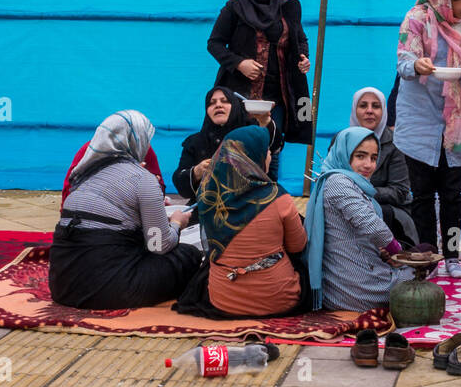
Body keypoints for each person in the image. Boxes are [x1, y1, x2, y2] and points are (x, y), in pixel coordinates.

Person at [50, 111, 203, 309]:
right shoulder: (142, 178)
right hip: (107, 290)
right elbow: (159, 245)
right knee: (188, 255)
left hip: (63, 287)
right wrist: (176, 222)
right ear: (137, 141)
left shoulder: (84, 175)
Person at [394, 0, 461, 278]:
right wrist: (418, 64)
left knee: (453, 194)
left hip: (452, 122)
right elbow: (403, 63)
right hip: (419, 118)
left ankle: (453, 256)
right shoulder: (417, 18)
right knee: (422, 195)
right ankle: (427, 255)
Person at [207, 0, 312, 183]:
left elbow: (300, 40)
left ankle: (269, 201)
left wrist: (303, 58)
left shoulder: (288, 8)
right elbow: (214, 43)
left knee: (271, 149)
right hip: (240, 96)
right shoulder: (234, 8)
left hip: (278, 98)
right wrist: (239, 63)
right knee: (236, 148)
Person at [194, 126, 307, 318]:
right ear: (254, 157)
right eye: (267, 151)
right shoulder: (278, 199)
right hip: (278, 300)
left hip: (223, 301)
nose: (270, 156)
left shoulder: (208, 196)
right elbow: (298, 246)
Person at [305, 127, 409, 312]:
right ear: (344, 154)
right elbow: (371, 225)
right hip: (357, 293)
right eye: (360, 156)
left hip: (349, 285)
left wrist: (382, 251)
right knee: (421, 269)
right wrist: (396, 252)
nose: (368, 165)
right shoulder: (338, 182)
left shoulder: (349, 182)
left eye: (373, 158)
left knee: (422, 256)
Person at [171, 86, 283, 202]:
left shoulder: (251, 133)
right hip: (207, 210)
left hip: (250, 206)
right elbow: (180, 182)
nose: (218, 105)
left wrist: (265, 121)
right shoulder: (195, 142)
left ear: (235, 106)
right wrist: (196, 172)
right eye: (211, 103)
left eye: (225, 101)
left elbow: (274, 145)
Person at [348, 86, 418, 247]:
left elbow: (400, 192)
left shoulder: (395, 143)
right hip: (349, 205)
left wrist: (361, 192)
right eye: (363, 105)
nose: (370, 111)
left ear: (384, 111)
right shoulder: (342, 141)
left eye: (376, 106)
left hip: (390, 212)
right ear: (354, 109)